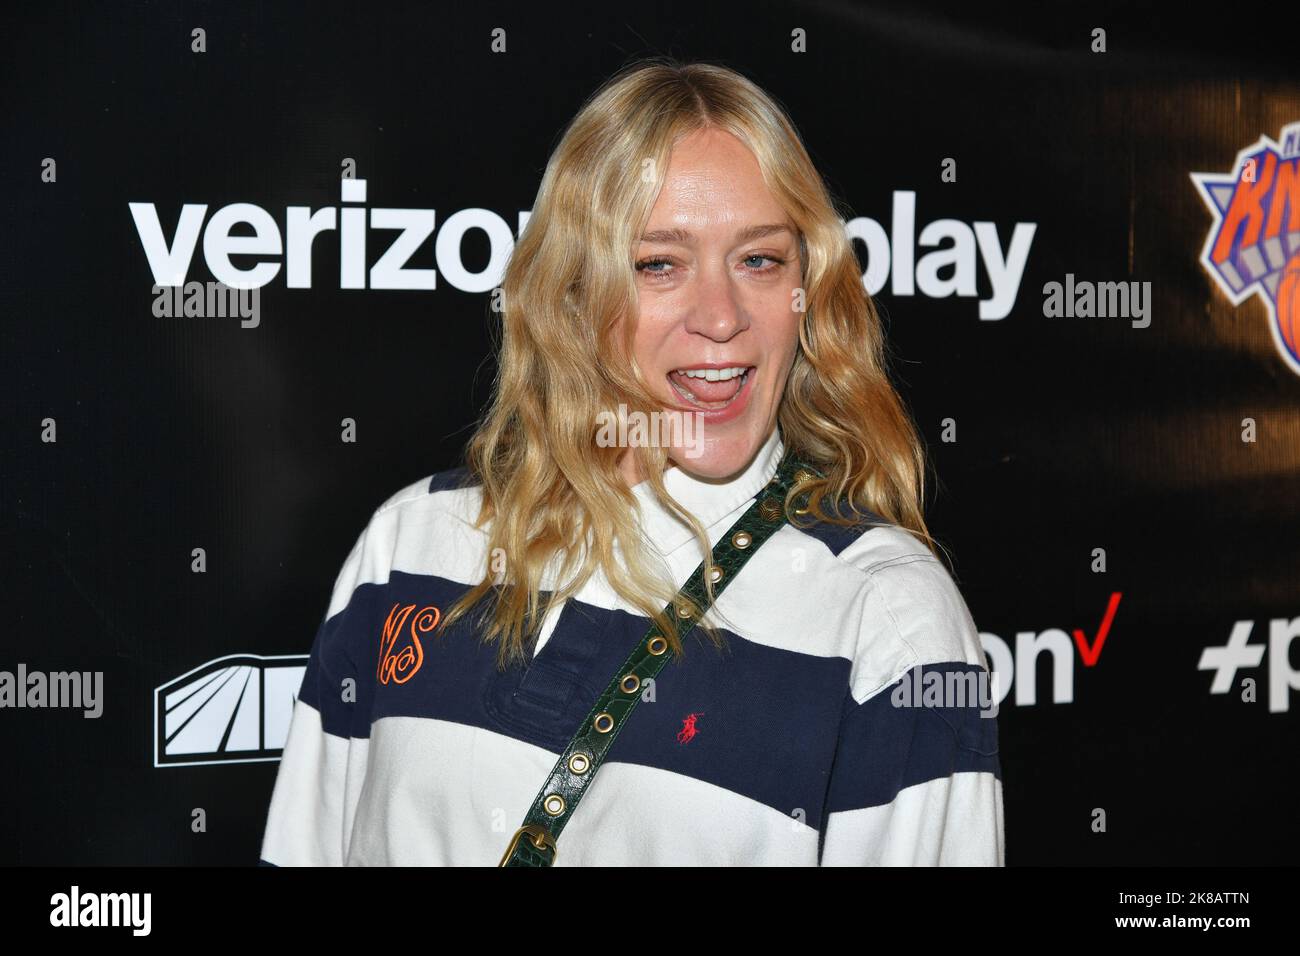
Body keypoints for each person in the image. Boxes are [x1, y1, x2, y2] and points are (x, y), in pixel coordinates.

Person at [259, 56, 1004, 866]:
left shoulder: (886, 622)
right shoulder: (409, 546)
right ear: (572, 293)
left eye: (759, 260)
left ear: (809, 291)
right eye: (659, 264)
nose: (721, 318)